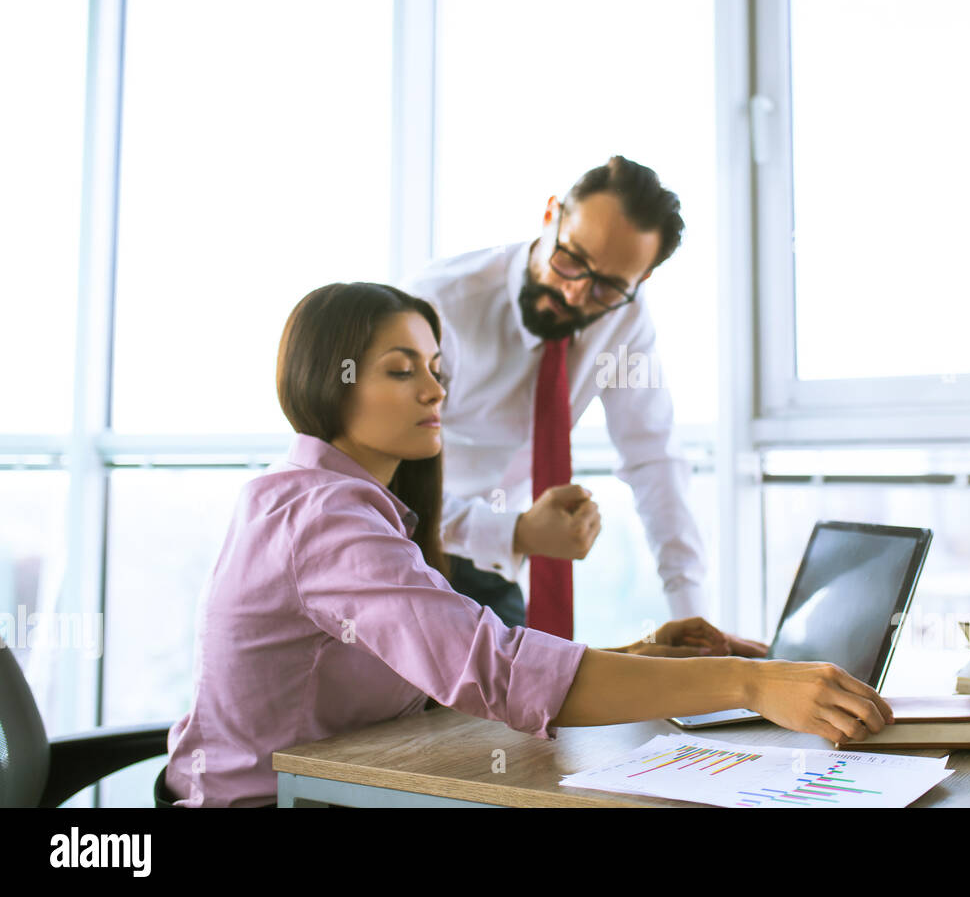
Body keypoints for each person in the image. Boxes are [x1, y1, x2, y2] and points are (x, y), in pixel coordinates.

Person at [157, 283, 892, 807]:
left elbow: (448, 665)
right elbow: (494, 672)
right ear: (329, 381)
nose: (434, 390)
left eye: (437, 368)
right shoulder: (321, 516)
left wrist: (638, 656)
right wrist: (749, 681)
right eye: (400, 369)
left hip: (337, 784)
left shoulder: (339, 504)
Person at [403, 156, 741, 644]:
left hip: (492, 566)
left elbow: (653, 460)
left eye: (606, 286)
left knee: (535, 706)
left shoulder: (624, 320)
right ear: (550, 216)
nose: (575, 292)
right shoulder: (440, 306)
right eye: (571, 258)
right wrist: (515, 532)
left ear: (640, 281)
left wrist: (693, 614)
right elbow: (382, 480)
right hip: (410, 552)